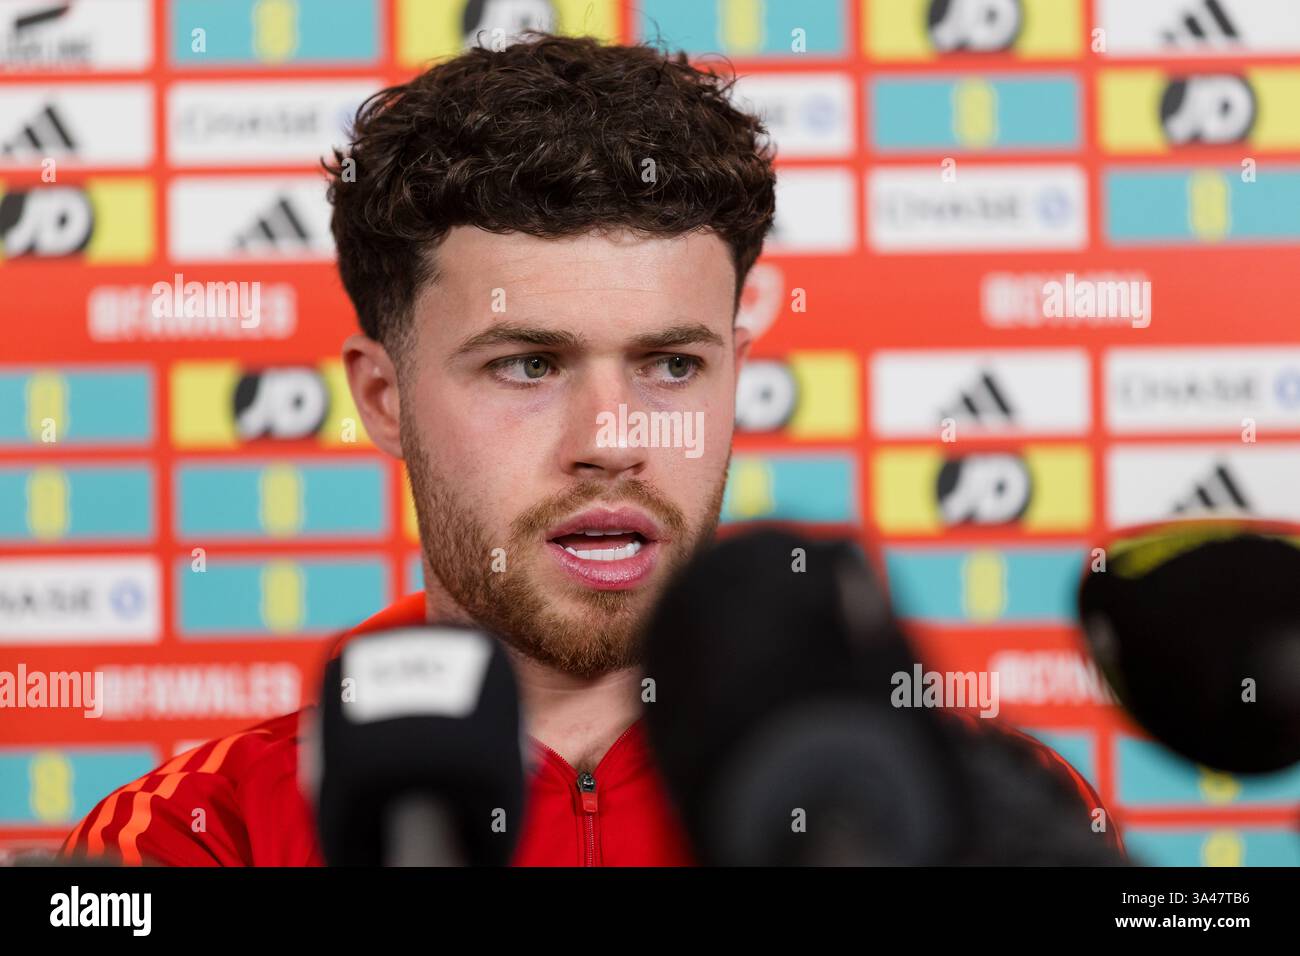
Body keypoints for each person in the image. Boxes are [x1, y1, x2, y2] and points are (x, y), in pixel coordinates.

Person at [60, 33, 1113, 866]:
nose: (612, 442)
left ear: (735, 369)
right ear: (382, 397)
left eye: (669, 365)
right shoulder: (200, 832)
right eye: (527, 365)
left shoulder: (963, 808)